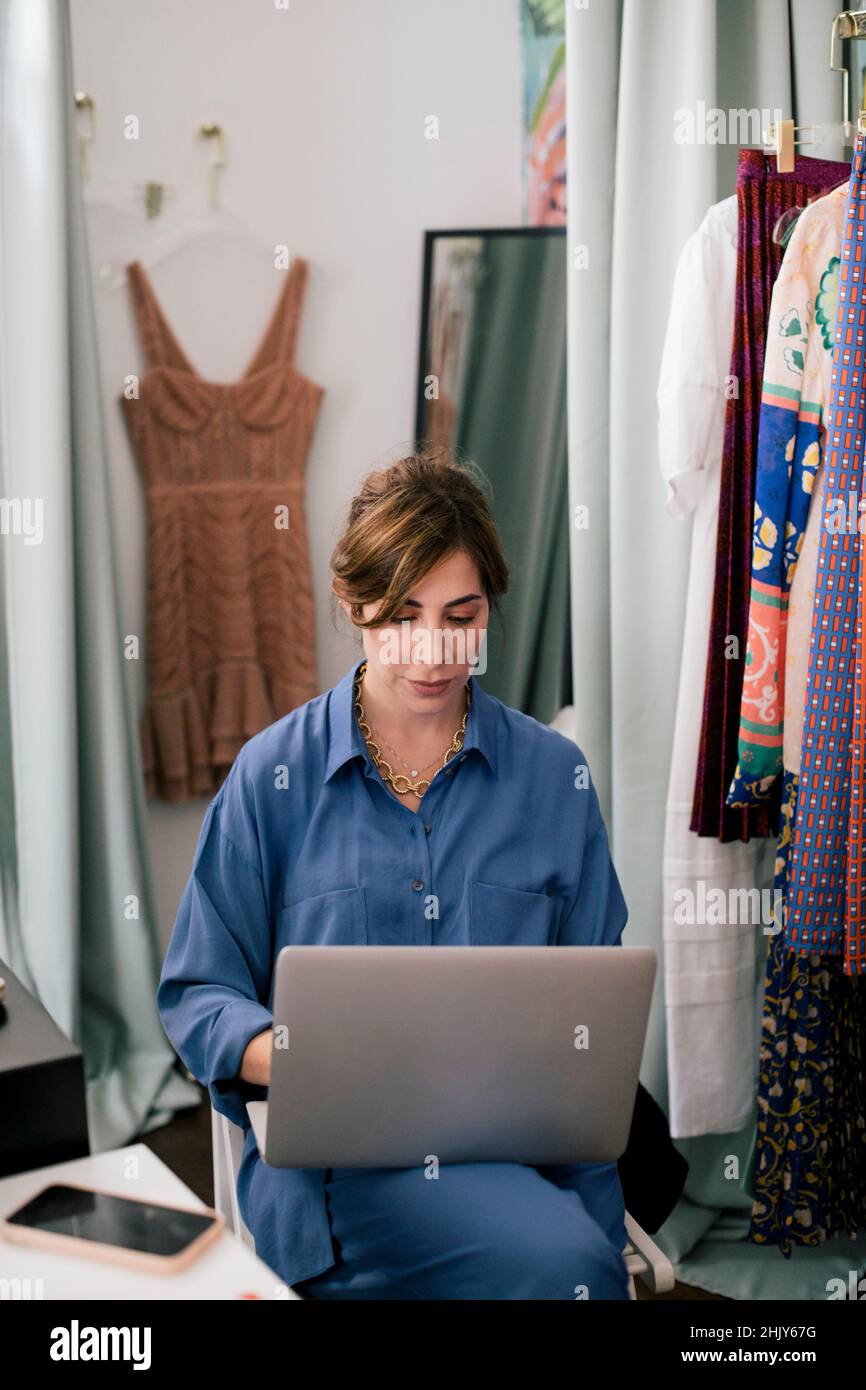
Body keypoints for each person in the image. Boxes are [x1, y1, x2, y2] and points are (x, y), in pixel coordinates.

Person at [157, 445, 631, 1300]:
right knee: (561, 1270)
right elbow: (198, 995)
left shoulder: (554, 781)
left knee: (575, 1266)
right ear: (351, 603)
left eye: (462, 614)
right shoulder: (272, 778)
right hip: (339, 1176)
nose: (433, 649)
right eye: (401, 613)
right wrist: (304, 1055)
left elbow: (594, 1011)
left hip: (519, 1155)